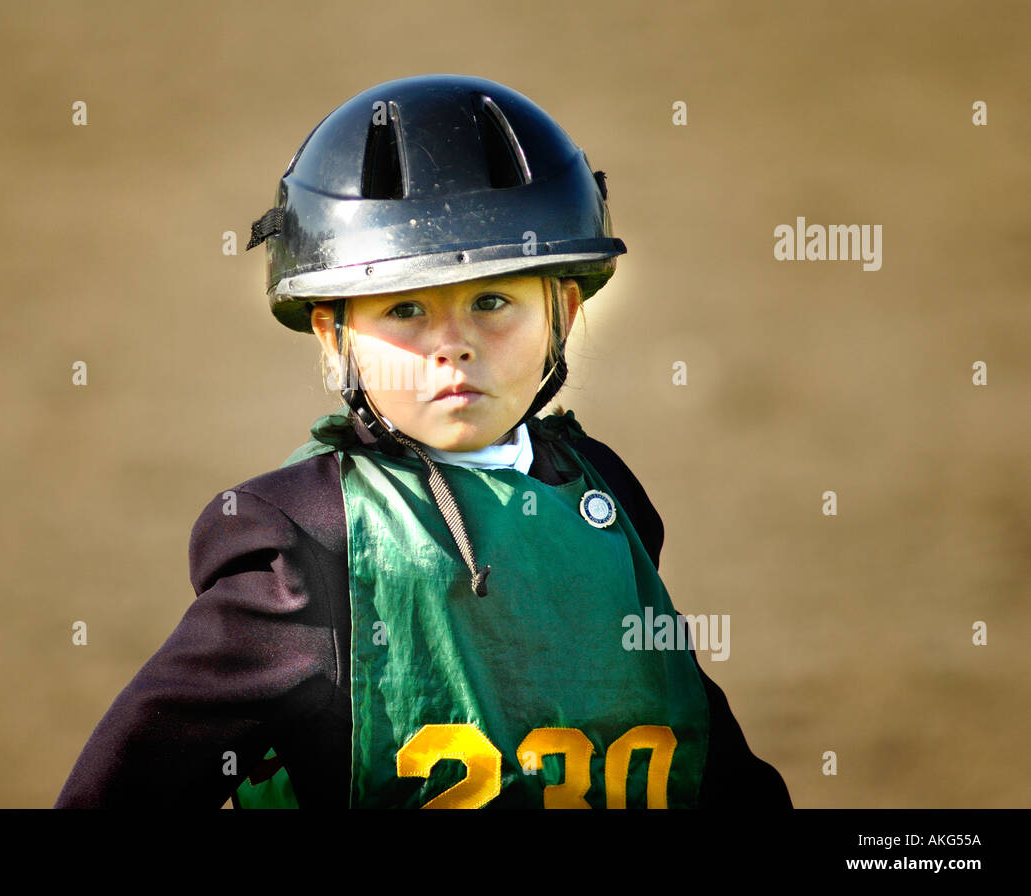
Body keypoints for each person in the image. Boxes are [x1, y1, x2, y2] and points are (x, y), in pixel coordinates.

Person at [55, 74, 791, 809]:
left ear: (562, 311)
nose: (454, 346)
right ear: (332, 332)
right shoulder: (304, 542)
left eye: (493, 301)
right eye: (405, 309)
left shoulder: (602, 491)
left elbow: (712, 764)